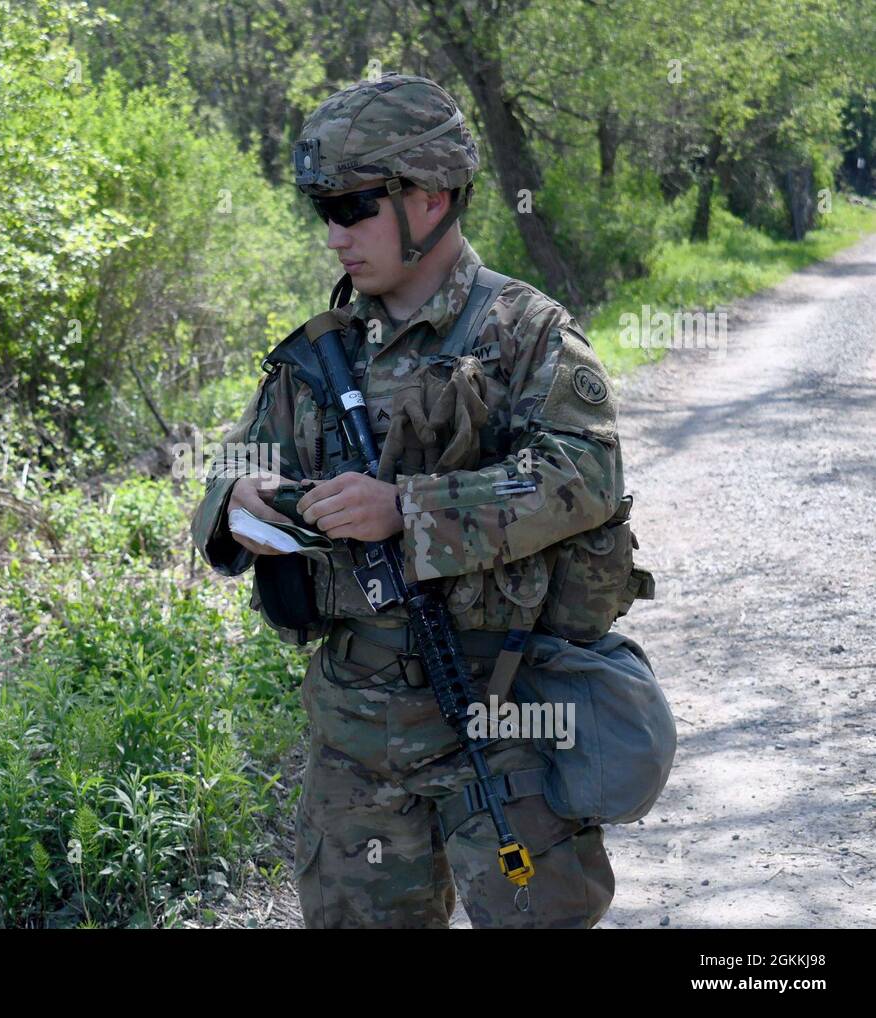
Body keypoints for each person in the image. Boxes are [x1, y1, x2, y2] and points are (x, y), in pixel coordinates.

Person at [190, 73, 625, 928]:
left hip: (498, 714)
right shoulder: (321, 351)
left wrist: (411, 511)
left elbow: (586, 477)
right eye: (323, 210)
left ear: (428, 198)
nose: (334, 235)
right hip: (356, 739)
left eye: (352, 206)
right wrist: (240, 497)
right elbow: (228, 472)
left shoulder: (525, 333)